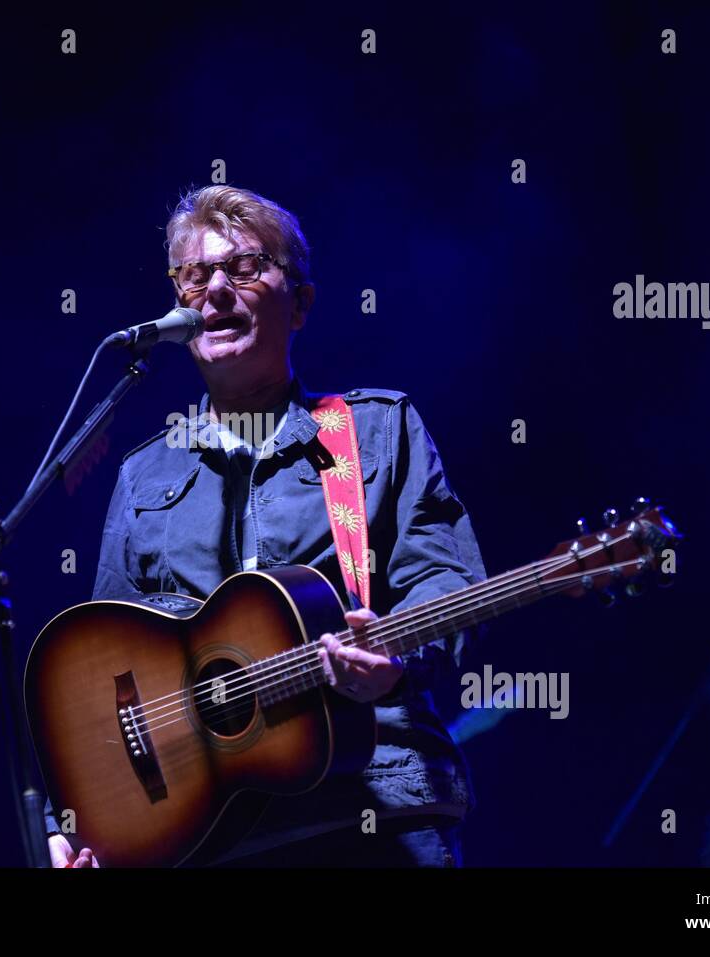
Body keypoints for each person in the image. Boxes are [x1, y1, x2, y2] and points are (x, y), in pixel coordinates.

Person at [47, 184, 485, 867]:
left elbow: (445, 582)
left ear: (301, 302)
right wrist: (74, 823)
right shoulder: (143, 476)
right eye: (196, 275)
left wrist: (391, 662)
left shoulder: (377, 431)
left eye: (245, 268)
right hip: (210, 838)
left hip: (373, 817)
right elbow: (100, 673)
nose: (216, 290)